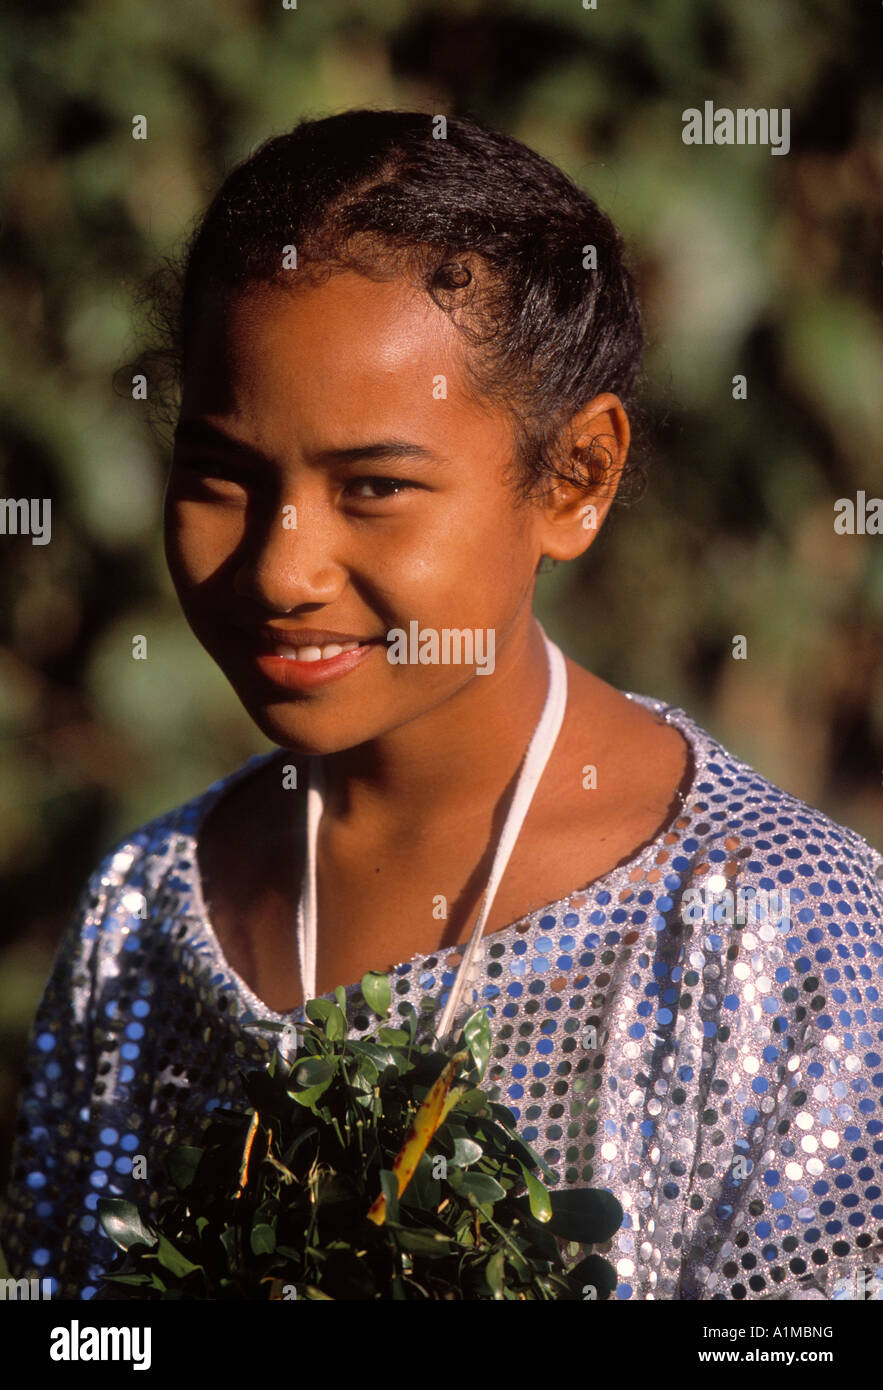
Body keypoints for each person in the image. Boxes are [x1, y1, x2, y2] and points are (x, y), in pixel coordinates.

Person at [2, 110, 881, 1302]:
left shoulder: (776, 933)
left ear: (574, 480)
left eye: (374, 487)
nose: (280, 566)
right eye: (223, 477)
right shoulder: (144, 917)